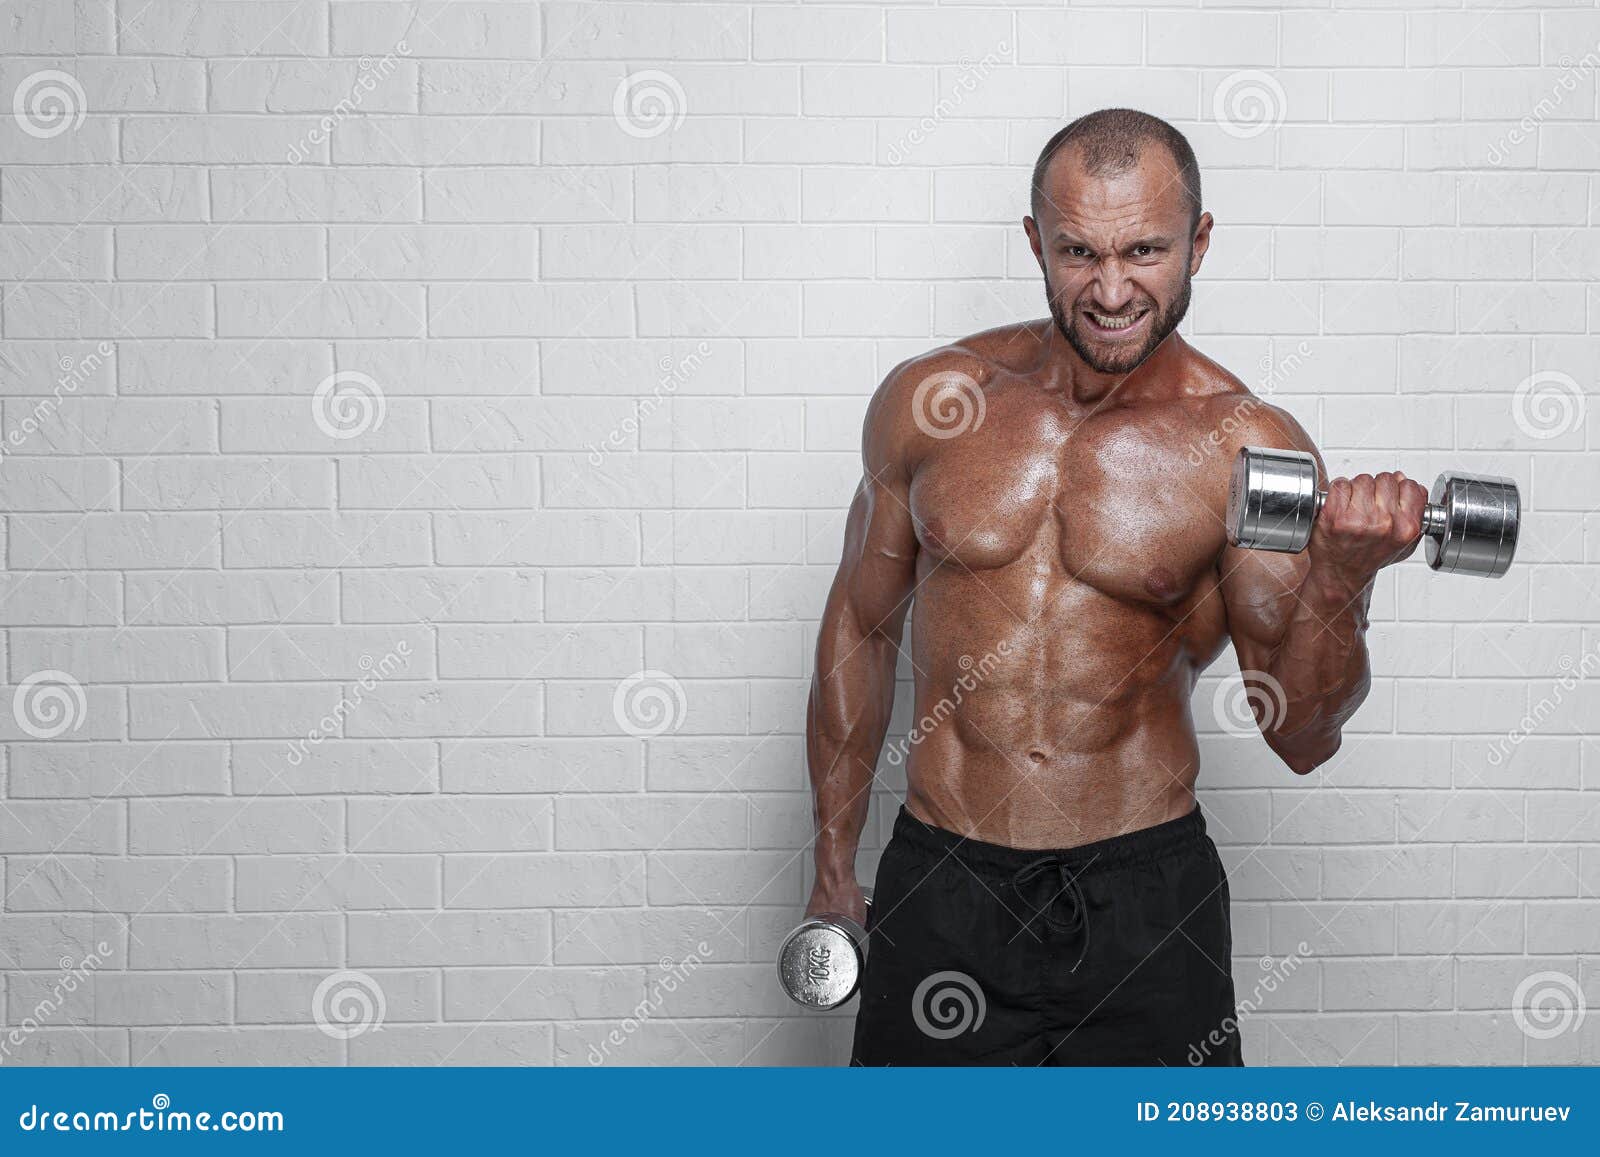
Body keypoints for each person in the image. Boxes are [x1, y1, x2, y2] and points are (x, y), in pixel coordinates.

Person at [805, 108, 1429, 1065]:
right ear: (1034, 244)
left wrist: (1341, 578)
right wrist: (833, 865)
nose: (1109, 290)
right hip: (946, 883)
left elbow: (1302, 734)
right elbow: (860, 626)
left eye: (1143, 250)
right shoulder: (932, 402)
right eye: (1077, 252)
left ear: (1199, 242)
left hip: (1147, 902)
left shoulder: (1247, 447)